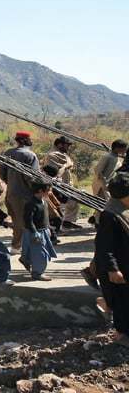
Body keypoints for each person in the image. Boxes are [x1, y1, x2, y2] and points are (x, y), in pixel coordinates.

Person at [95, 171, 129, 348]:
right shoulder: (110, 215)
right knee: (123, 302)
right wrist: (113, 269)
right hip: (119, 267)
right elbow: (104, 247)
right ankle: (123, 334)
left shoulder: (123, 209)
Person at [0, 131, 40, 254]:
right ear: (26, 140)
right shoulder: (30, 155)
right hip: (26, 195)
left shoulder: (8, 153)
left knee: (17, 220)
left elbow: (2, 174)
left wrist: (12, 183)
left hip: (11, 194)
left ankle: (18, 245)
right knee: (24, 222)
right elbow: (33, 178)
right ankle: (17, 247)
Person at [19, 180, 58, 281]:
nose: (50, 192)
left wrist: (48, 228)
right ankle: (37, 273)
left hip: (43, 231)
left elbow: (45, 217)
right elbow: (28, 220)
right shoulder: (31, 204)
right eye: (48, 190)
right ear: (40, 190)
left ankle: (25, 260)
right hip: (34, 232)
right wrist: (34, 233)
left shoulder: (44, 202)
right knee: (41, 255)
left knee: (35, 251)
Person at [43, 136, 81, 229]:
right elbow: (54, 173)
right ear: (60, 144)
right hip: (57, 185)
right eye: (67, 145)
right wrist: (66, 165)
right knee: (56, 207)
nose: (68, 147)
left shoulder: (63, 154)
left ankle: (67, 221)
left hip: (66, 184)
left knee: (74, 200)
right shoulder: (52, 155)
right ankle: (55, 226)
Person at [91, 139, 128, 225]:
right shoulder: (107, 157)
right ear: (117, 148)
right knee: (102, 205)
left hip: (110, 186)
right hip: (103, 186)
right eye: (124, 149)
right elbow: (98, 171)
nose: (125, 151)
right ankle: (98, 224)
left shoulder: (116, 158)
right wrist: (104, 185)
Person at [41, 164, 64, 245]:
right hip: (46, 204)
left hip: (50, 203)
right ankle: (52, 237)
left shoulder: (48, 180)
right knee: (52, 221)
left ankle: (52, 237)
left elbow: (51, 195)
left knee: (57, 220)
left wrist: (56, 204)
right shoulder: (43, 181)